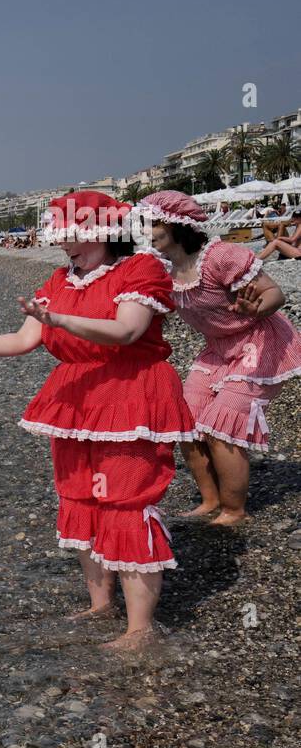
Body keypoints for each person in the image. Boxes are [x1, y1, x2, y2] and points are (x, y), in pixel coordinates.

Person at [0, 191, 194, 651]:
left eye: (75, 235)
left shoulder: (139, 270)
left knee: (125, 500)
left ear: (105, 232)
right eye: (63, 236)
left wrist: (60, 320)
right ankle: (101, 603)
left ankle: (140, 628)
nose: (66, 244)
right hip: (74, 399)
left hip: (130, 393)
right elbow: (25, 339)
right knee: (80, 496)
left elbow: (127, 331)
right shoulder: (59, 280)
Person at [133, 191, 301, 525]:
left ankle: (234, 510)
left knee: (223, 424)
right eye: (143, 224)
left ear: (178, 224)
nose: (146, 230)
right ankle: (210, 500)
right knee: (187, 420)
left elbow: (275, 294)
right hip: (218, 349)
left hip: (259, 342)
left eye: (153, 223)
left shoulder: (221, 257)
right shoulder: (161, 269)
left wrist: (256, 308)